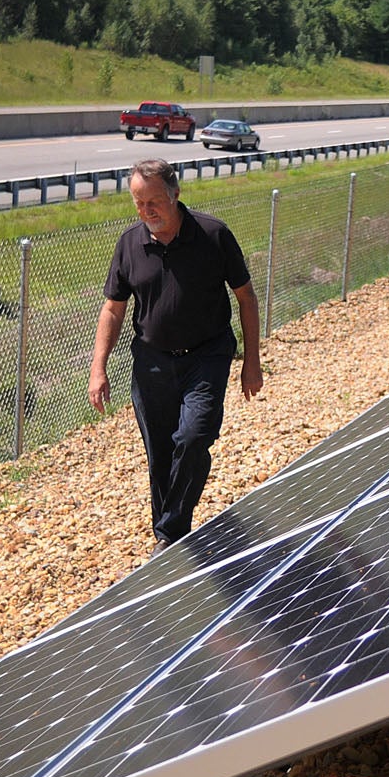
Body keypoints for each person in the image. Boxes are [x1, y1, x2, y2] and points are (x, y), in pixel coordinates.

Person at [89, 159, 263, 546]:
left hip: (206, 356)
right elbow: (113, 309)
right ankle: (168, 538)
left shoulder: (213, 235)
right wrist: (98, 367)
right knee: (161, 455)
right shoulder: (129, 244)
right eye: (138, 203)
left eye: (153, 201)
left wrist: (252, 362)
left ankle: (170, 533)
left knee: (193, 437)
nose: (146, 211)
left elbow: (246, 298)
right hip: (151, 363)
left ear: (175, 195)